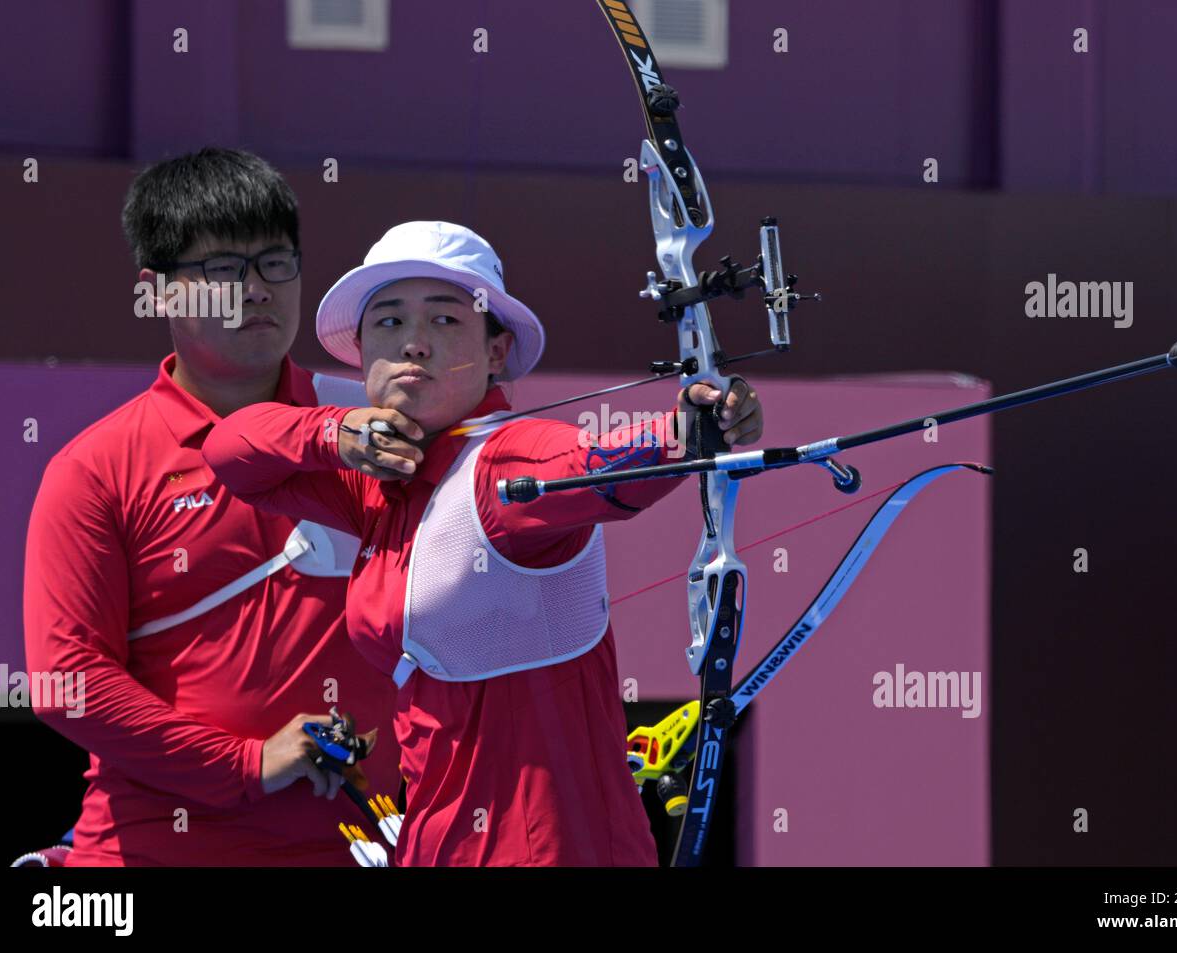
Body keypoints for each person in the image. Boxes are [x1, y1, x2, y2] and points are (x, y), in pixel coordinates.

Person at [202, 220, 765, 865]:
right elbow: (230, 452)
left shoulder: (506, 462)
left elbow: (597, 464)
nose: (413, 343)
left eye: (445, 321)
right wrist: (338, 434)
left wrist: (690, 429)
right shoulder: (380, 487)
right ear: (360, 355)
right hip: (435, 847)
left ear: (495, 353)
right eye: (387, 323)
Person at [23, 148, 399, 866]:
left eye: (275, 262)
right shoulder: (94, 469)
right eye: (224, 270)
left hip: (359, 848)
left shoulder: (368, 427)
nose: (257, 289)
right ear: (159, 291)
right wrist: (248, 764)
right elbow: (66, 682)